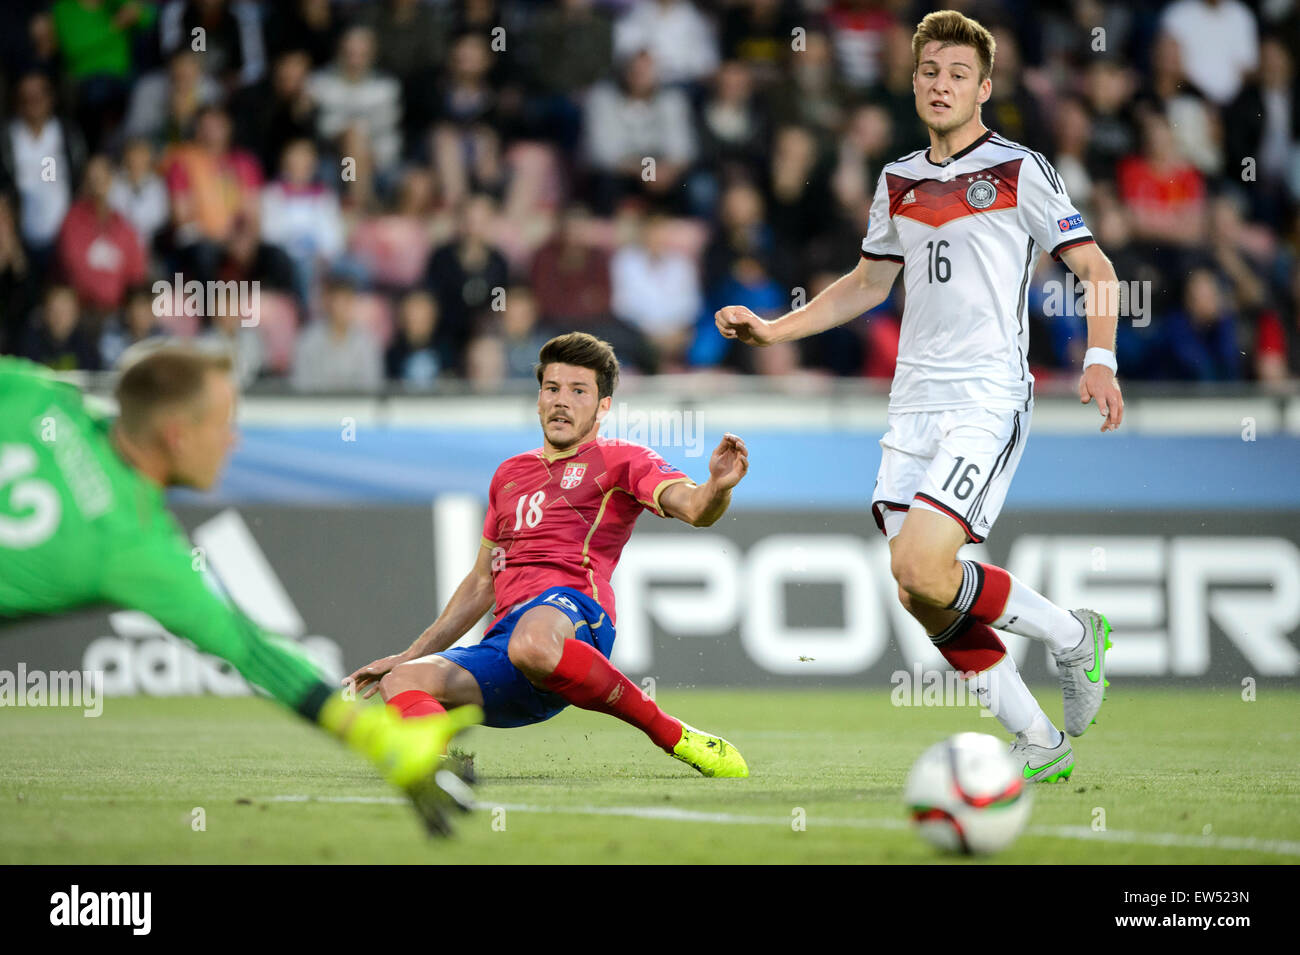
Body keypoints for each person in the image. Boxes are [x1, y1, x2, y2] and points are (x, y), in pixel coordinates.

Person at [716, 10, 1122, 783]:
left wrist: (1099, 358)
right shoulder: (898, 179)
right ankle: (1038, 738)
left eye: (959, 74)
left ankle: (1073, 632)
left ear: (986, 89)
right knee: (917, 589)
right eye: (931, 71)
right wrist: (773, 330)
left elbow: (1097, 269)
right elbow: (868, 283)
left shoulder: (1019, 169)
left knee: (926, 566)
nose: (942, 85)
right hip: (912, 404)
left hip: (986, 394)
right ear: (913, 82)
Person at [0, 343, 481, 835]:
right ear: (177, 437)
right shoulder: (135, 550)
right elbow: (253, 652)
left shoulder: (39, 395)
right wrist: (381, 741)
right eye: (223, 424)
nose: (234, 441)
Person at [347, 332, 750, 778]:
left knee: (533, 642)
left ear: (604, 407)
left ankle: (673, 735)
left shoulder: (622, 459)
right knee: (400, 682)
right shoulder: (509, 474)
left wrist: (716, 487)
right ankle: (444, 770)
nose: (561, 401)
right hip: (509, 649)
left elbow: (695, 509)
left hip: (575, 620)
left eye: (578, 391)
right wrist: (408, 655)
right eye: (552, 389)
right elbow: (483, 581)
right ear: (538, 398)